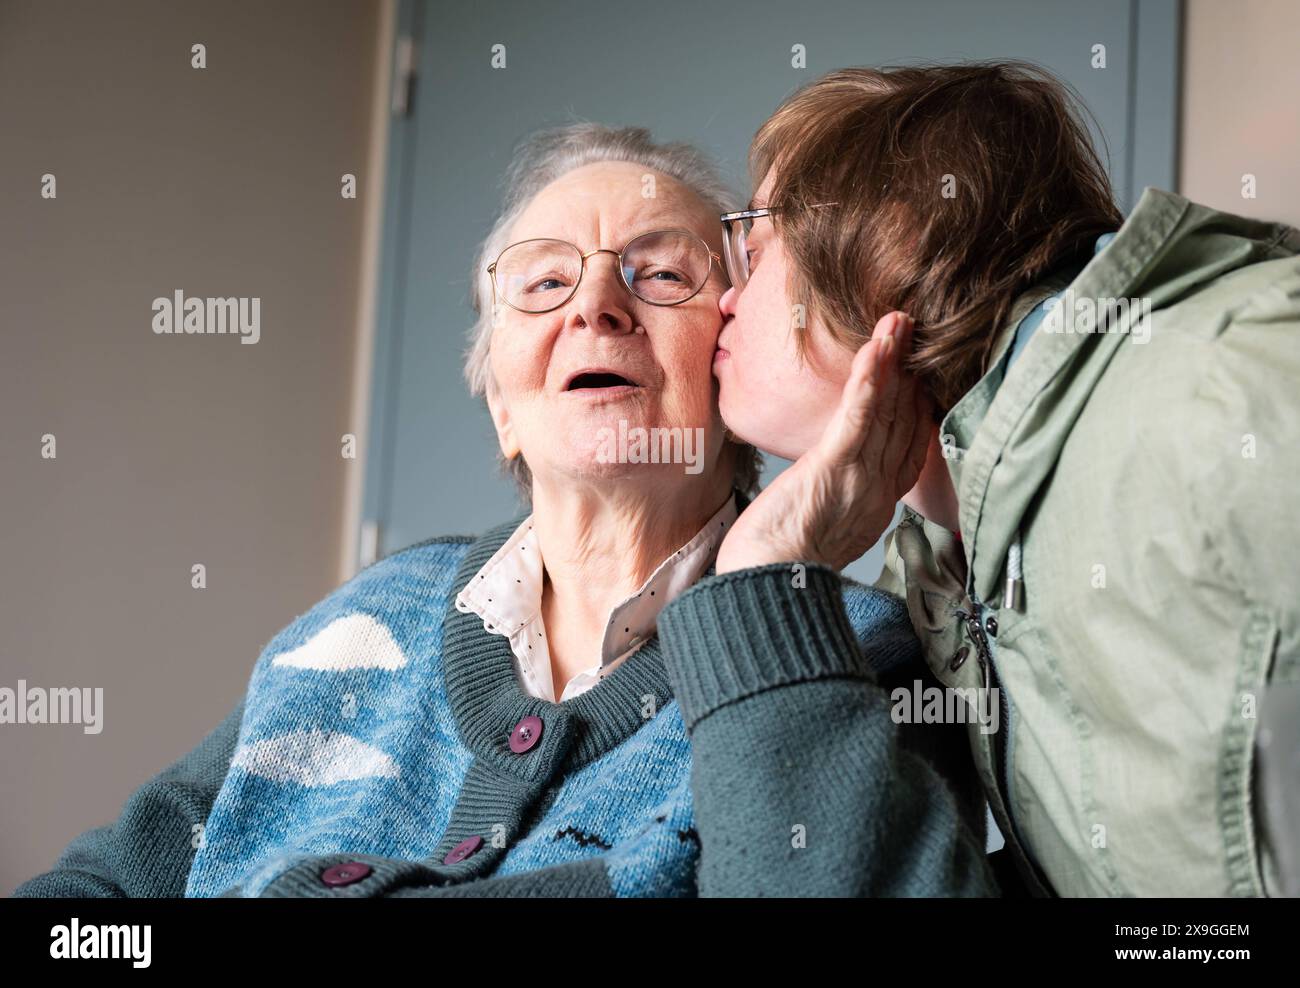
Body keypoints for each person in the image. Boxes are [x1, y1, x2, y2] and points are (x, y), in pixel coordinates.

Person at [15, 123, 994, 898]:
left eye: (660, 274)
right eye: (545, 281)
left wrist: (759, 594)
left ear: (729, 361)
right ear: (501, 401)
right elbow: (115, 885)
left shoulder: (848, 655)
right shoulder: (372, 615)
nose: (596, 306)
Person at [704, 61, 1300, 896]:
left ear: (893, 236)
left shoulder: (1230, 377)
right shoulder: (930, 566)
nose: (724, 298)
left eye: (753, 246)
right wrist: (763, 572)